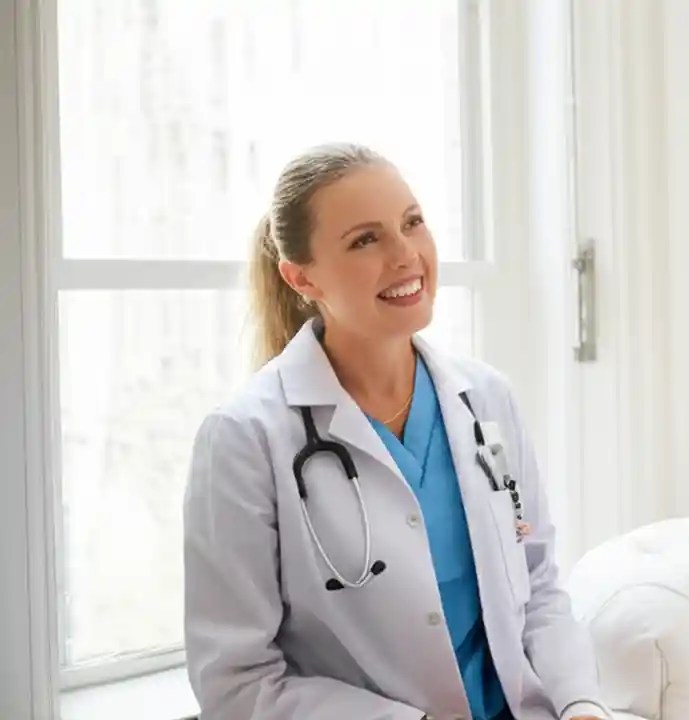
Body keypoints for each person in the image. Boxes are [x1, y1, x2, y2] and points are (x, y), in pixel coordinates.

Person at [183, 142, 611, 720]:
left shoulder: (484, 398)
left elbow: (538, 588)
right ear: (300, 276)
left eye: (412, 223)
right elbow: (237, 683)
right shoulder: (244, 438)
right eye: (365, 239)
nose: (406, 254)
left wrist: (581, 703)